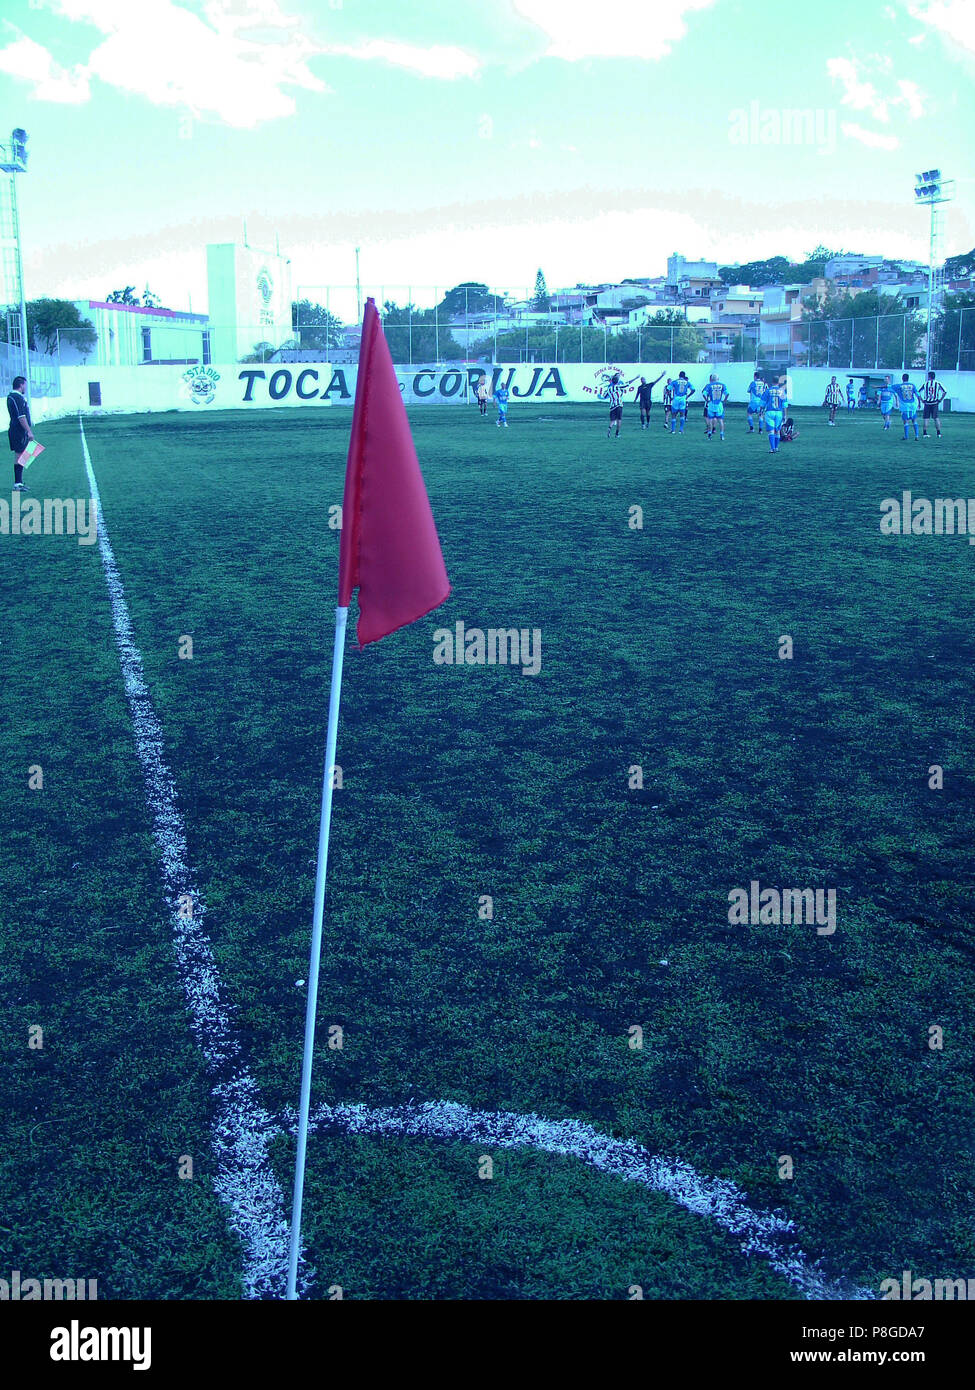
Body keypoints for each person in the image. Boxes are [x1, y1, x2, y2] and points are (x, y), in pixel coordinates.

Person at [7, 375, 32, 490]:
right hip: (18, 431)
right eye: (25, 385)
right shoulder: (17, 397)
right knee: (21, 454)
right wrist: (29, 431)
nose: (25, 388)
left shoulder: (13, 397)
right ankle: (17, 483)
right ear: (21, 385)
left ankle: (19, 482)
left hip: (17, 430)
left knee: (24, 454)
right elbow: (21, 417)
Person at [762, 376, 788, 453]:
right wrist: (785, 415)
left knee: (771, 431)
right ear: (778, 382)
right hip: (779, 412)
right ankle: (776, 448)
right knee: (777, 430)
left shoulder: (768, 391)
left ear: (772, 382)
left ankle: (772, 448)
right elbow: (785, 405)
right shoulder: (782, 391)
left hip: (769, 412)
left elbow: (763, 403)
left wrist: (761, 411)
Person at [891, 373, 920, 441]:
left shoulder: (899, 386)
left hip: (904, 406)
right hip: (912, 405)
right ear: (908, 378)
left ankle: (906, 436)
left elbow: (888, 386)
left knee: (906, 422)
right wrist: (919, 403)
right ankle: (917, 435)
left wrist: (877, 387)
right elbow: (917, 394)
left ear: (902, 378)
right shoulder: (912, 385)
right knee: (914, 421)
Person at [702, 373, 729, 440]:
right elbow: (727, 394)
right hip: (719, 404)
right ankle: (722, 435)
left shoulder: (709, 385)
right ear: (718, 379)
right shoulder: (722, 385)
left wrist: (706, 400)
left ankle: (710, 435)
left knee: (710, 420)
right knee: (720, 420)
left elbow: (704, 393)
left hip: (711, 404)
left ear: (711, 379)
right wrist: (724, 400)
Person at [921, 371, 946, 438]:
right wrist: (940, 400)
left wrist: (922, 400)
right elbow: (945, 391)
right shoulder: (938, 383)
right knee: (936, 418)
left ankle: (925, 433)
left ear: (929, 376)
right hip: (935, 403)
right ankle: (938, 433)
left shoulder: (925, 384)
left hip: (927, 403)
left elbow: (918, 392)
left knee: (926, 418)